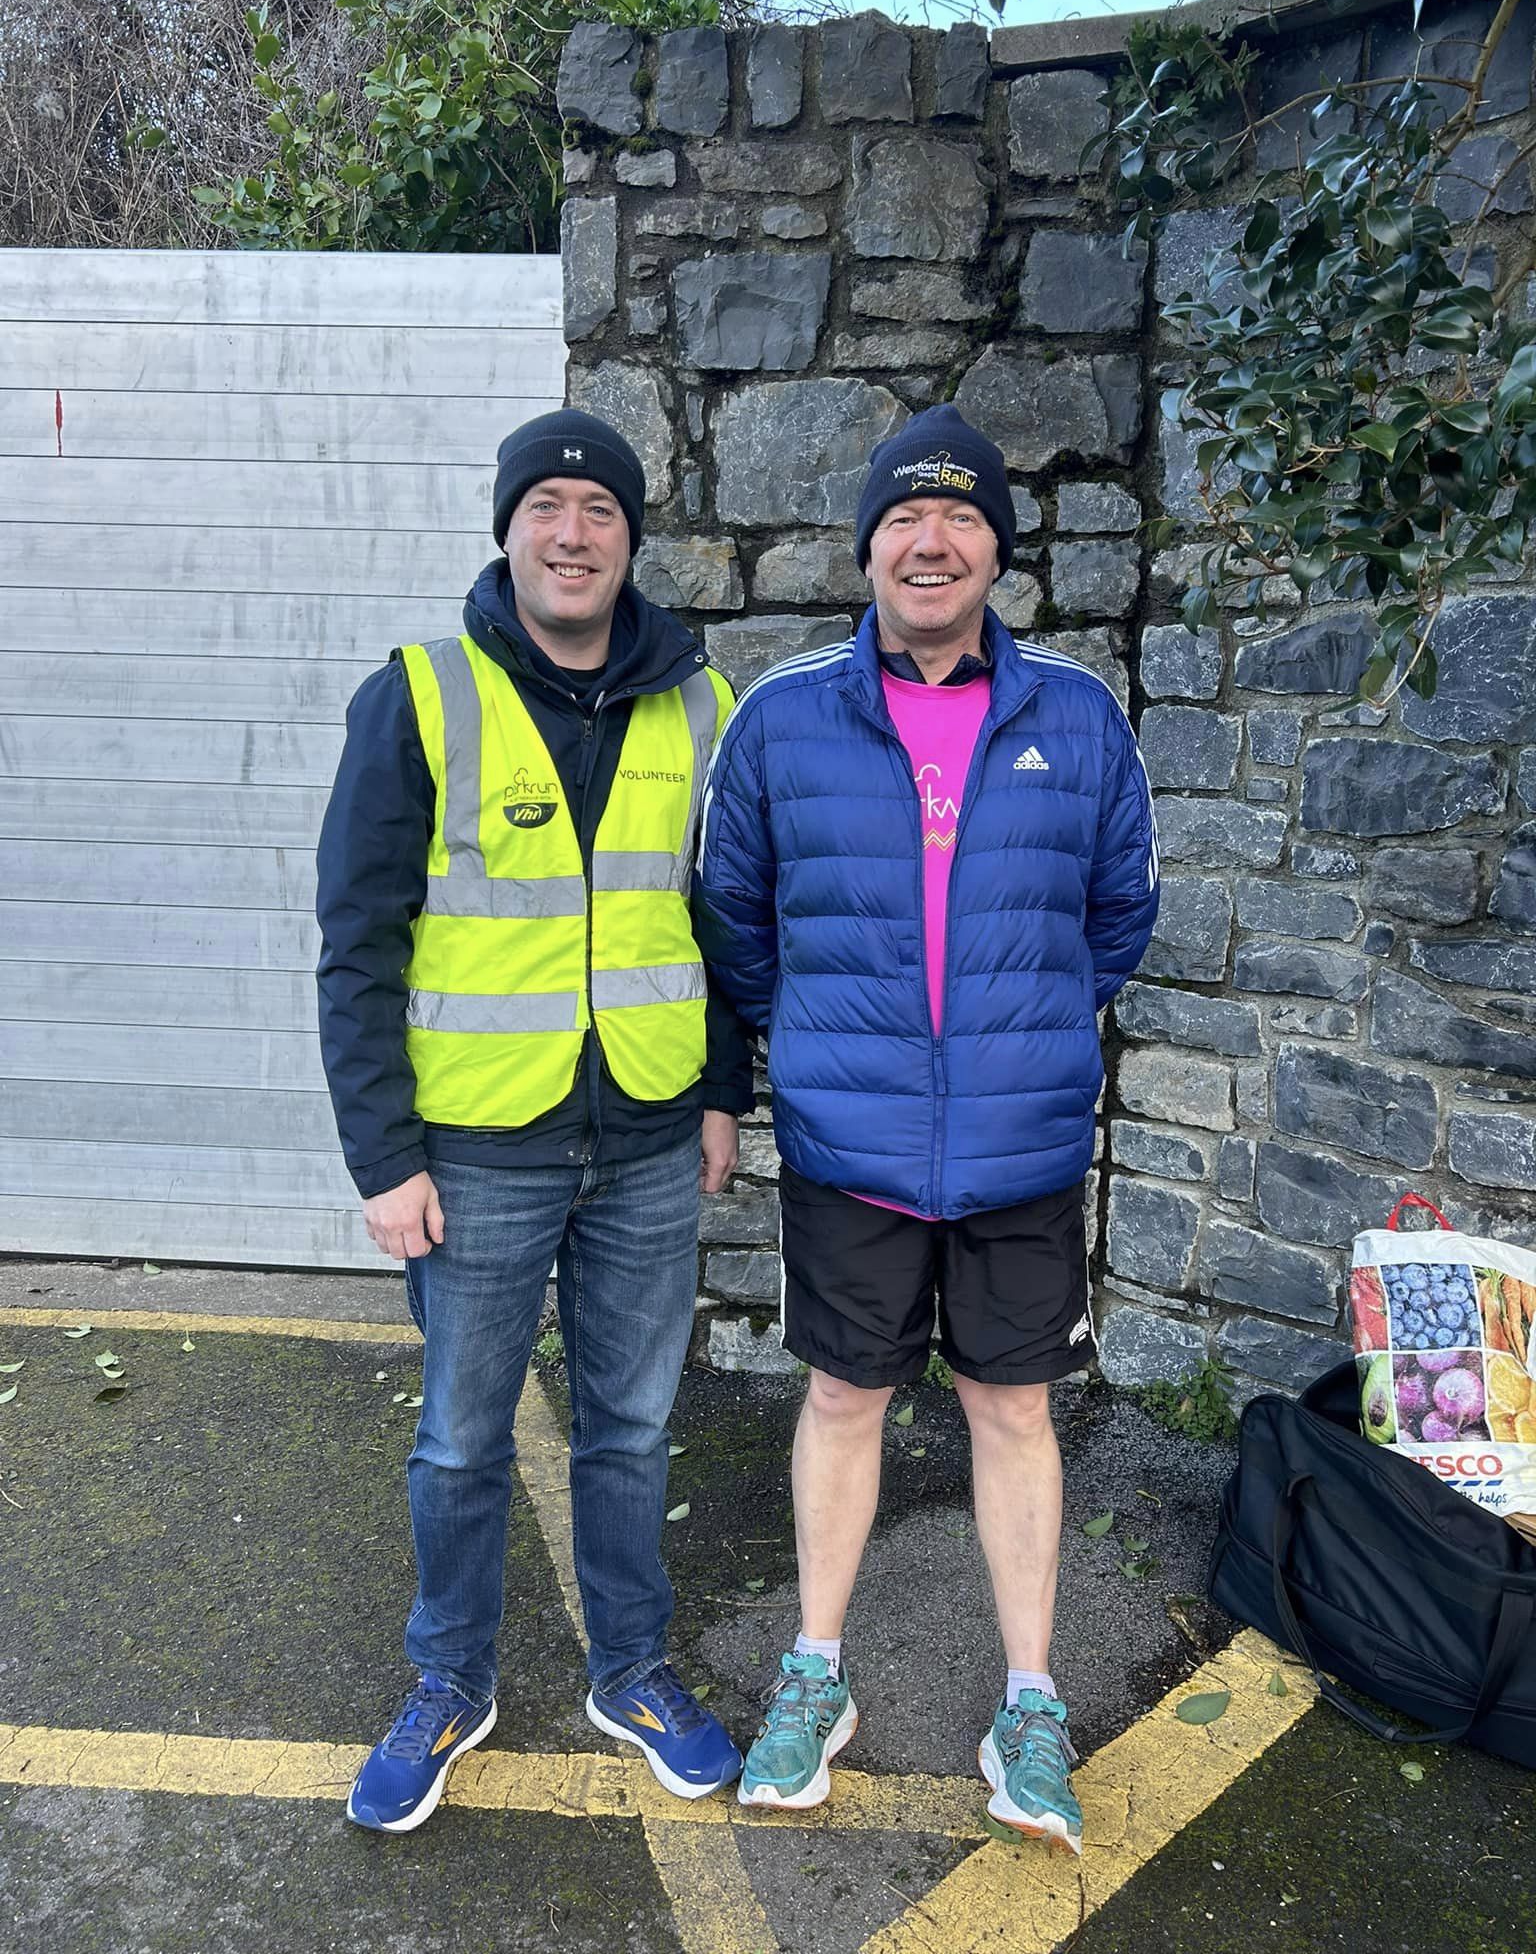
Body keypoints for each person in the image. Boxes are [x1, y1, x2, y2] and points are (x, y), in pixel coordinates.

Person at [694, 403, 1159, 1851]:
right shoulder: (780, 717)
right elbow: (736, 920)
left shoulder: (1076, 717)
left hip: (1019, 1149)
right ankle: (814, 1672)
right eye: (905, 517)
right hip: (853, 1147)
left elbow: (1118, 916)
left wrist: (1012, 1037)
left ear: (998, 553)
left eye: (959, 518)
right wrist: (832, 1045)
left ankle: (1030, 1705)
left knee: (1013, 1410)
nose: (931, 540)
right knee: (841, 1398)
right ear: (869, 548)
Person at [316, 409, 749, 1832]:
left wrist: (720, 1091)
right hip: (476, 1150)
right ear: (508, 528)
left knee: (628, 1431)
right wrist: (383, 1157)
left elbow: (726, 921)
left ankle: (631, 1670)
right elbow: (357, 940)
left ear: (632, 538)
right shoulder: (422, 694)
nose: (573, 533)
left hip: (642, 1138)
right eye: (548, 505)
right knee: (459, 1440)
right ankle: (449, 1680)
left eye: (601, 511)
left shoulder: (700, 702)